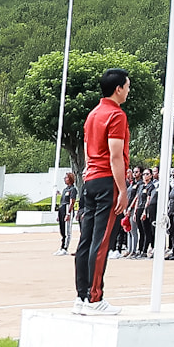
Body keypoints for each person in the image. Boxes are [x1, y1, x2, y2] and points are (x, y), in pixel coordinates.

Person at [74, 67, 131, 313]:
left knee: (86, 240)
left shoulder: (93, 114)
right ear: (118, 89)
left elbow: (88, 151)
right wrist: (123, 190)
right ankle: (95, 298)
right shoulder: (116, 115)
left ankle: (81, 296)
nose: (128, 91)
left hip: (91, 179)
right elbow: (116, 156)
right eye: (127, 87)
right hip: (107, 180)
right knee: (102, 241)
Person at [56, 171, 75, 254]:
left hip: (67, 208)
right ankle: (62, 246)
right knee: (62, 229)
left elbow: (72, 202)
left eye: (66, 177)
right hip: (62, 208)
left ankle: (65, 247)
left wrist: (68, 213)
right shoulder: (65, 190)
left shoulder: (73, 189)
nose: (64, 179)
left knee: (67, 230)